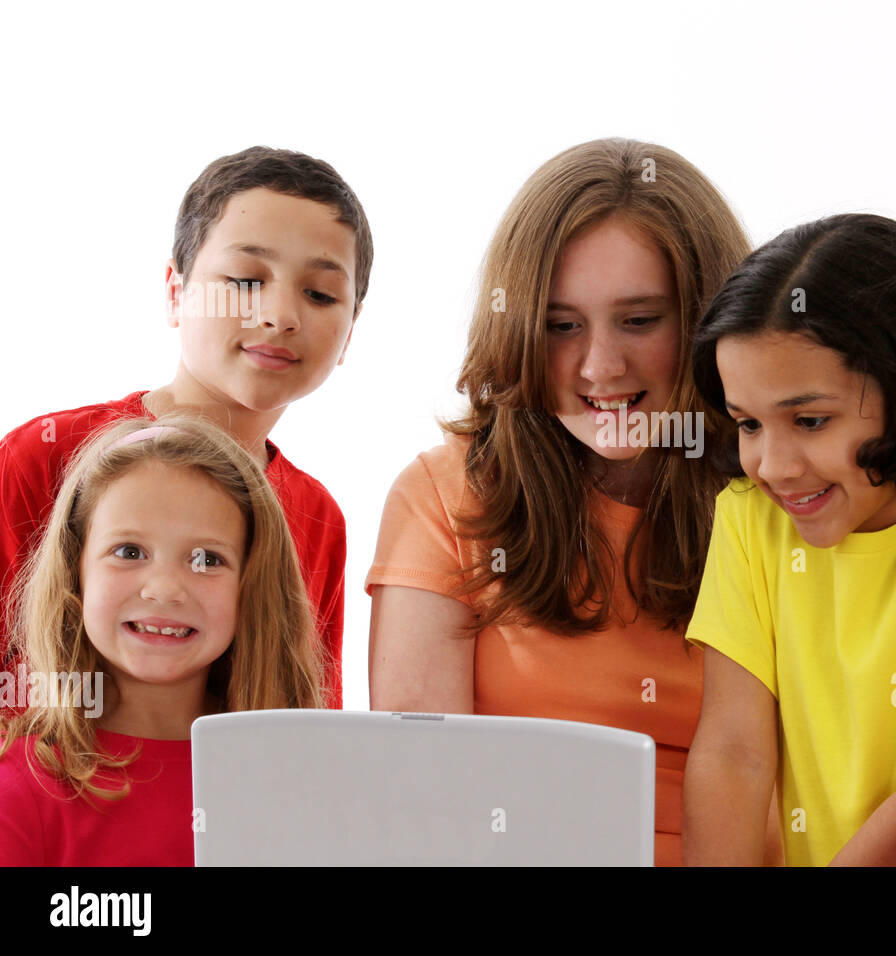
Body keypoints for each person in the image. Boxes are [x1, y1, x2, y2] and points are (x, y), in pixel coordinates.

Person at [366, 138, 762, 866]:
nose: (600, 366)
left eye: (640, 320)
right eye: (560, 325)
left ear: (713, 322)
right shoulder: (445, 495)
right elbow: (421, 805)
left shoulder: (780, 501)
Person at [683, 214, 896, 866]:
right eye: (748, 423)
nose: (773, 464)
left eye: (809, 420)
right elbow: (733, 753)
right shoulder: (751, 518)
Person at [0, 146, 371, 707]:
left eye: (319, 294)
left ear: (350, 331)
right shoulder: (42, 455)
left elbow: (306, 726)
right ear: (176, 293)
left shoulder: (319, 517)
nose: (279, 316)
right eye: (245, 280)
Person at [0, 415, 324, 865]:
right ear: (75, 573)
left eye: (207, 559)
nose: (164, 589)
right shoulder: (19, 791)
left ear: (253, 587)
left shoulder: (305, 783)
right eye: (130, 552)